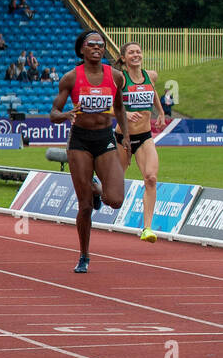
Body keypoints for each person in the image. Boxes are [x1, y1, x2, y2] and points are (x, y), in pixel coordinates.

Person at [49, 31, 130, 273]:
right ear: (81, 49)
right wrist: (66, 115)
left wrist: (125, 135)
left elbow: (119, 107)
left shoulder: (115, 76)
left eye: (100, 44)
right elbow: (53, 112)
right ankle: (84, 255)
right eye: (91, 44)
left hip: (105, 138)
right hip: (80, 142)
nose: (96, 47)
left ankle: (96, 188)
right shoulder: (71, 78)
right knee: (84, 206)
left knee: (115, 200)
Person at [113, 41, 165, 242]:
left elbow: (152, 92)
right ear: (124, 58)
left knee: (151, 178)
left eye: (138, 51)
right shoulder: (120, 79)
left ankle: (147, 229)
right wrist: (125, 114)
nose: (136, 55)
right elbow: (109, 105)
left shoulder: (150, 75)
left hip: (144, 137)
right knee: (115, 185)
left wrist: (160, 111)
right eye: (131, 52)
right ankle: (96, 189)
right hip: (123, 137)